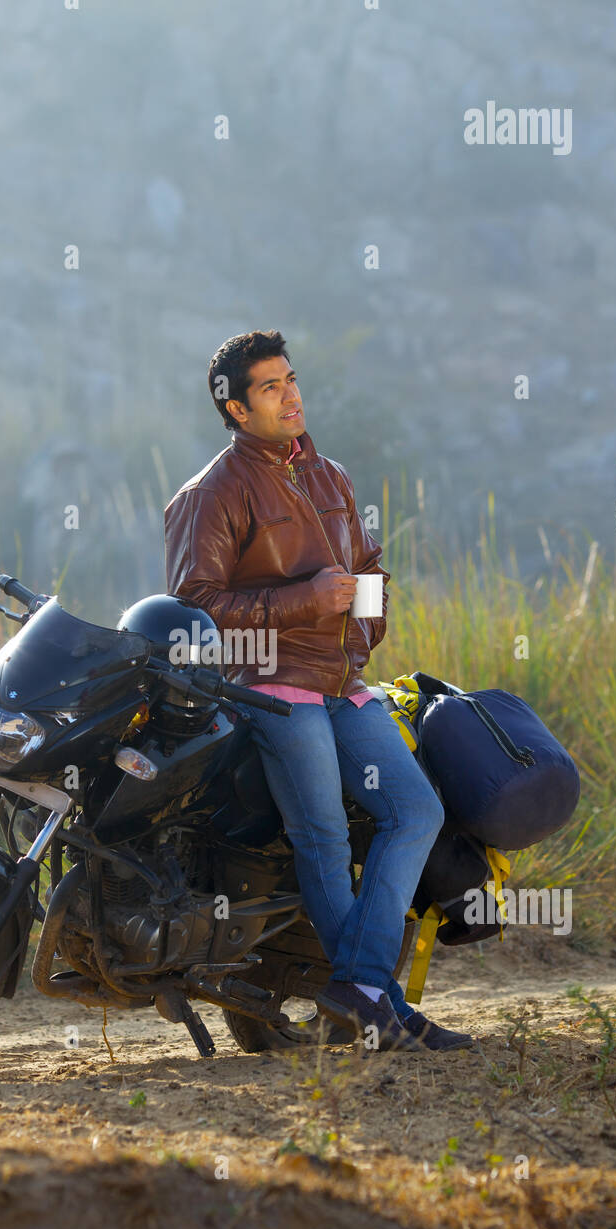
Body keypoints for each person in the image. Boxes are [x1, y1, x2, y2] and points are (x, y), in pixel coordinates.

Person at [164, 329, 473, 1051]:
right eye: (270, 388)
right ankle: (376, 999)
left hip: (346, 687)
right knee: (324, 841)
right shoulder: (211, 493)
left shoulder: (331, 476)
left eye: (291, 379)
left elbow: (369, 570)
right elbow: (197, 611)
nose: (291, 396)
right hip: (272, 690)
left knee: (416, 809)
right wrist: (309, 600)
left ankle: (360, 987)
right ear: (236, 410)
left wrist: (363, 633)